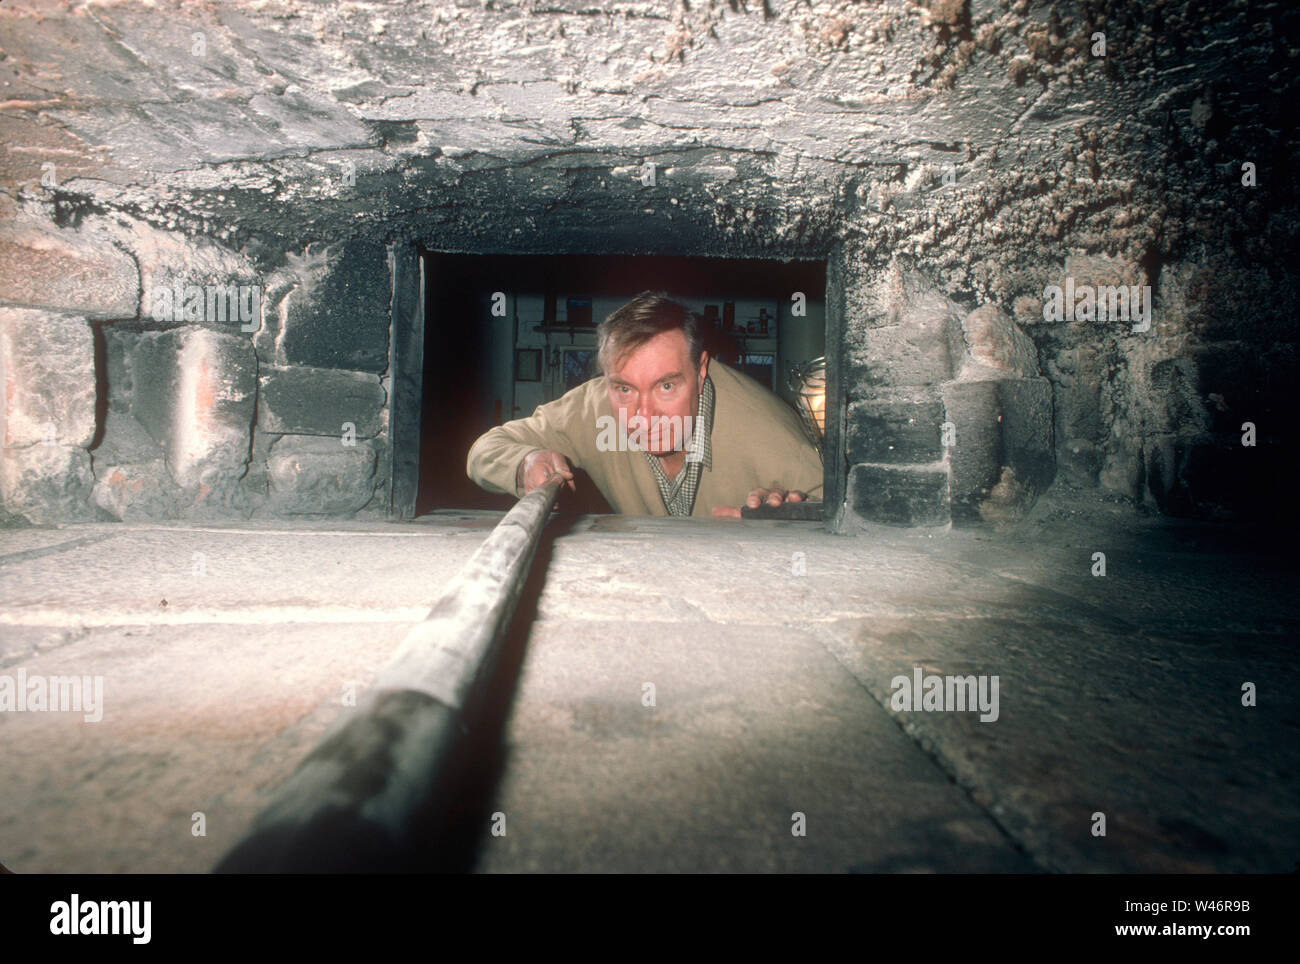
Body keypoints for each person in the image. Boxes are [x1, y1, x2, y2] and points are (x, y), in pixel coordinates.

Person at [466, 291, 823, 518]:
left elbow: (838, 519)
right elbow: (484, 450)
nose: (644, 416)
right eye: (624, 389)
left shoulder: (769, 429)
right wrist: (525, 463)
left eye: (666, 385)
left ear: (700, 371)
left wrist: (791, 517)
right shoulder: (590, 407)